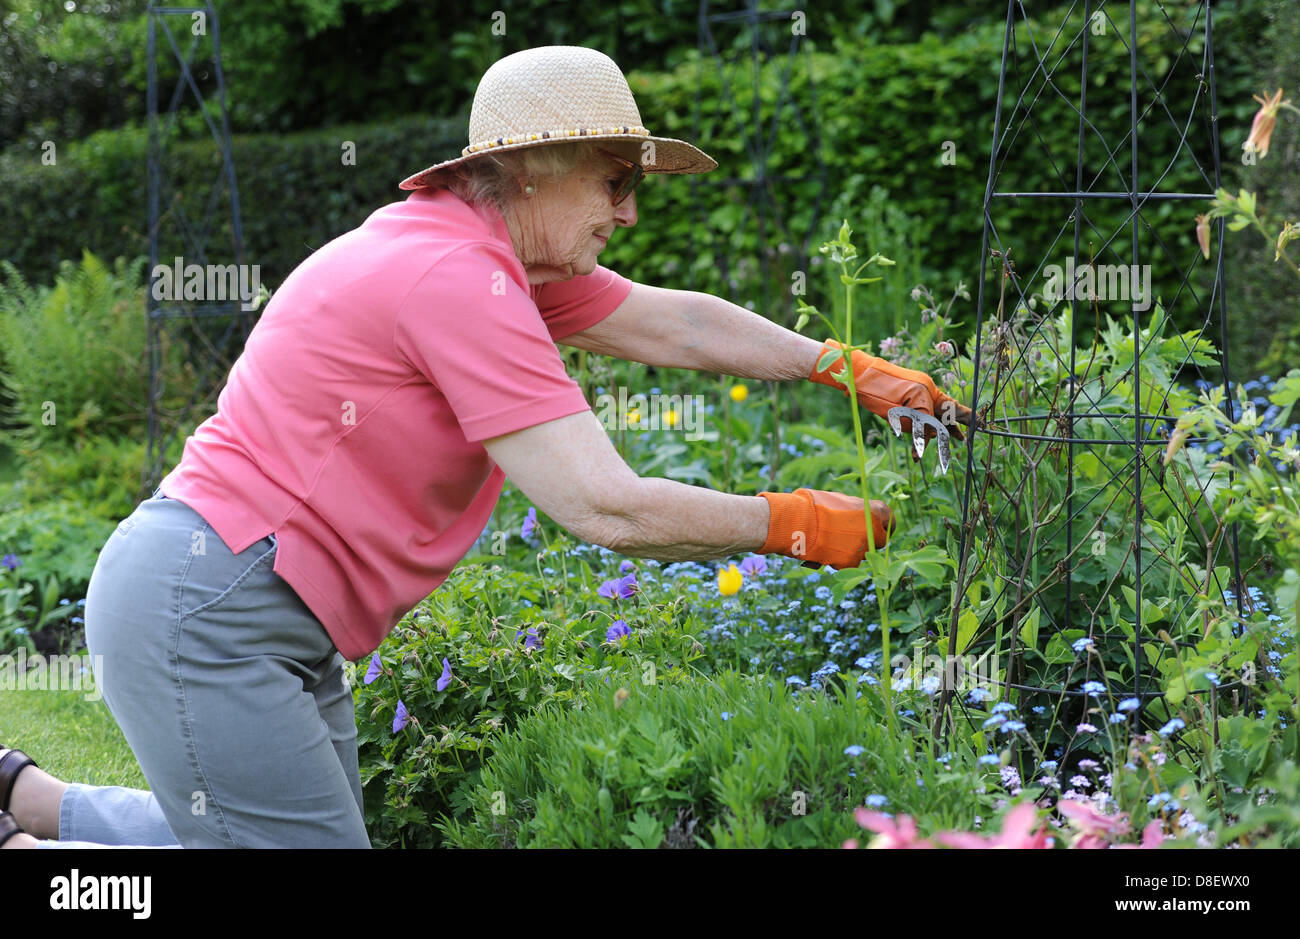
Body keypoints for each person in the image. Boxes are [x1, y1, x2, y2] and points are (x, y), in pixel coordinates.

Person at [0, 45, 967, 850]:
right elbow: (604, 506)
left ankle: (29, 807)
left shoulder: (493, 258)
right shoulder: (459, 278)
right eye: (616, 181)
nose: (629, 211)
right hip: (215, 605)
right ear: (537, 164)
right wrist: (794, 525)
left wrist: (843, 366)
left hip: (242, 599)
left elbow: (676, 326)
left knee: (272, 825)